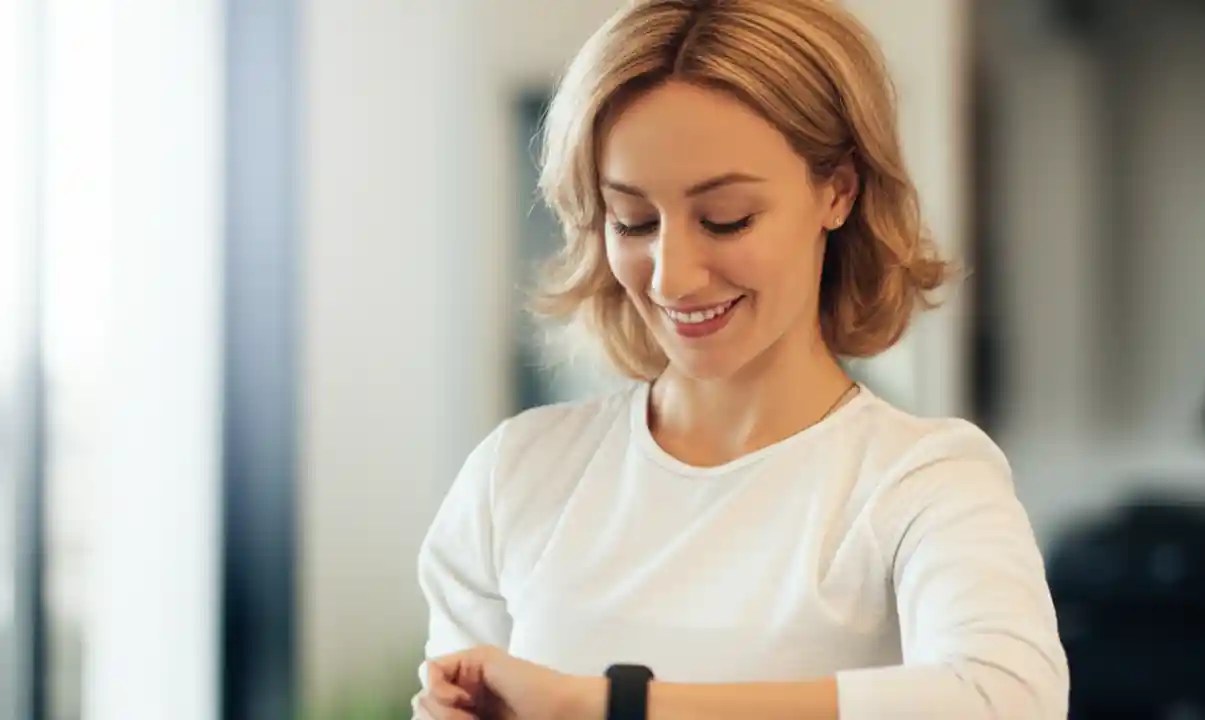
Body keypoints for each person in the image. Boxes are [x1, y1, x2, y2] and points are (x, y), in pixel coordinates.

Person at [412, 0, 1069, 717]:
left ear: (838, 191)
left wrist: (607, 707)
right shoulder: (517, 476)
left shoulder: (923, 483)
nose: (671, 277)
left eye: (725, 218)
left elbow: (1005, 698)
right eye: (633, 221)